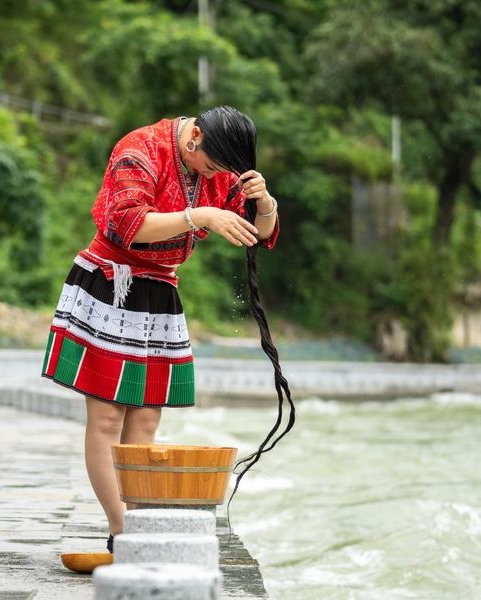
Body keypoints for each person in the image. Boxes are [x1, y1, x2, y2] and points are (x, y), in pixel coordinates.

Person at [41, 106, 279, 551]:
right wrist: (201, 216)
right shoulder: (140, 148)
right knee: (107, 417)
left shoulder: (219, 167)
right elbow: (132, 226)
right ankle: (120, 529)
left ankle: (138, 521)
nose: (216, 175)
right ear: (194, 140)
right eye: (212, 165)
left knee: (147, 418)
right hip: (111, 281)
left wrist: (264, 203)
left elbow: (259, 233)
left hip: (160, 290)